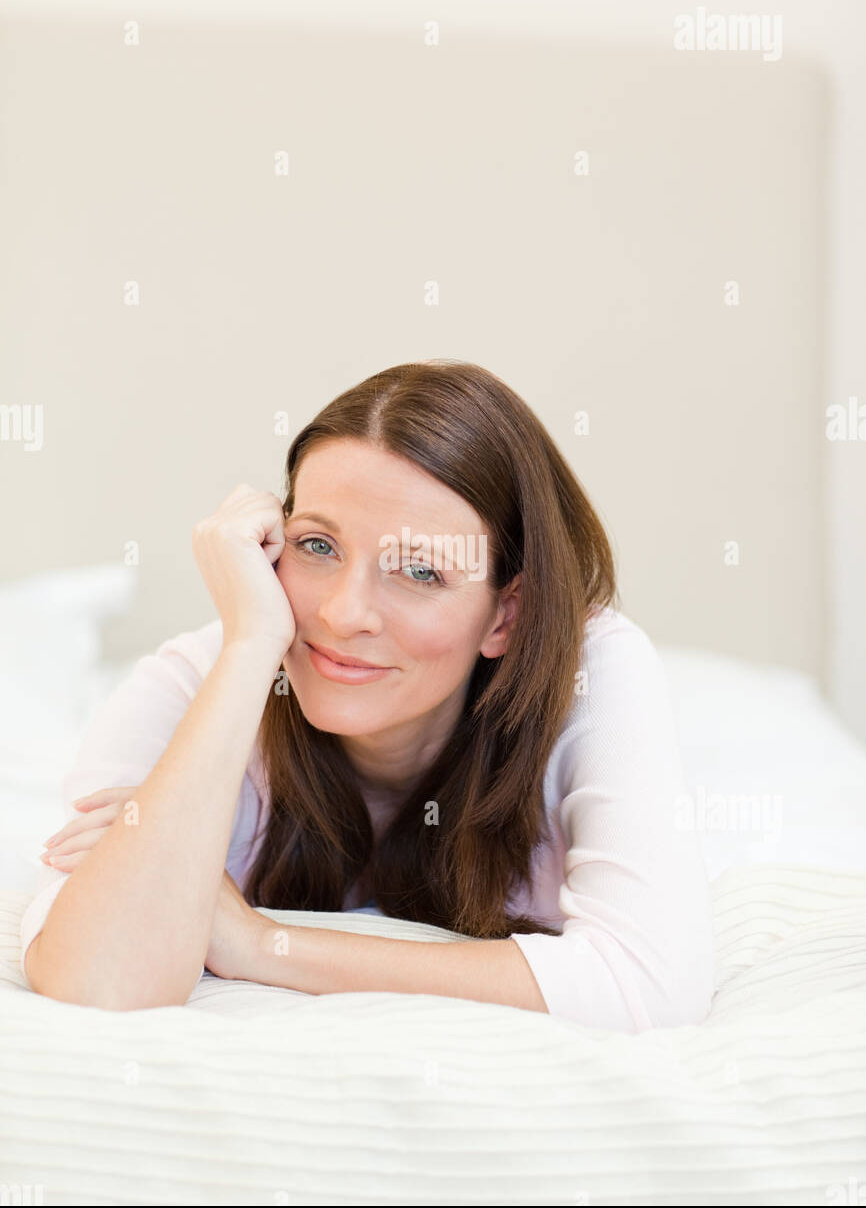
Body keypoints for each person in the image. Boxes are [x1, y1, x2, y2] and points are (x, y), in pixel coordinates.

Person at [21, 358, 715, 1029]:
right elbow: (102, 980)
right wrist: (247, 651)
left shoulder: (590, 671)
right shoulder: (212, 675)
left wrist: (261, 945)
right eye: (318, 546)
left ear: (507, 615)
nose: (344, 614)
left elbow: (649, 986)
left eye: (419, 571)